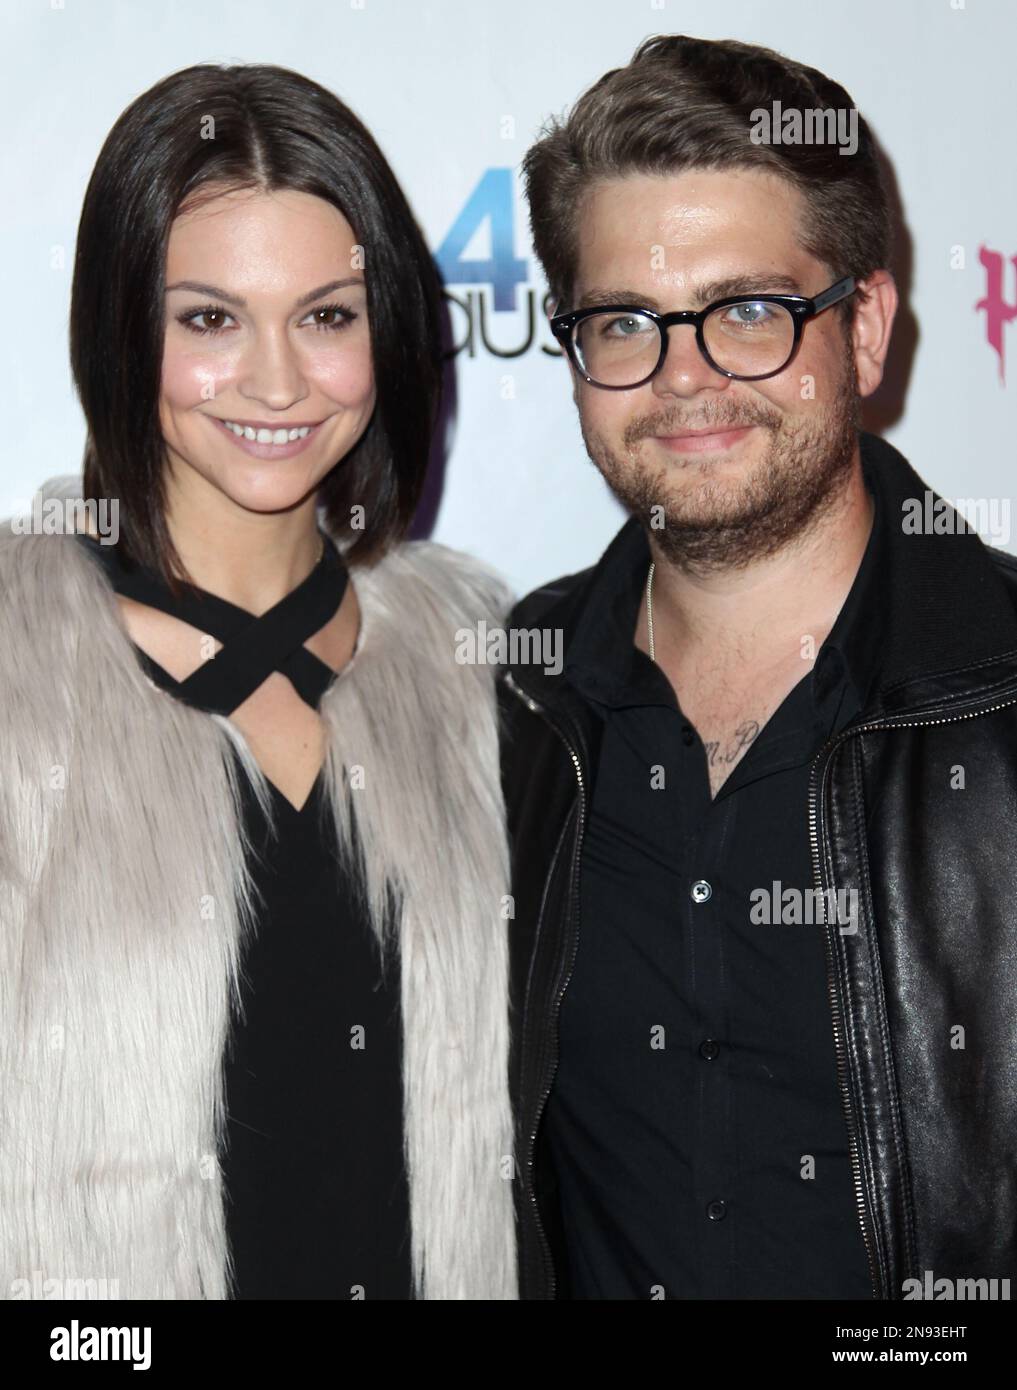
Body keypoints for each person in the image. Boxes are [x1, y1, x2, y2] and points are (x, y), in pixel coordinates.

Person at [499, 33, 1017, 1299]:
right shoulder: (509, 710)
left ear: (867, 329)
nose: (684, 379)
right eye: (626, 322)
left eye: (747, 311)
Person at [0, 63, 516, 1301]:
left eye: (329, 316)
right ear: (123, 329)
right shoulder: (17, 666)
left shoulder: (482, 668)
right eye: (210, 318)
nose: (278, 383)